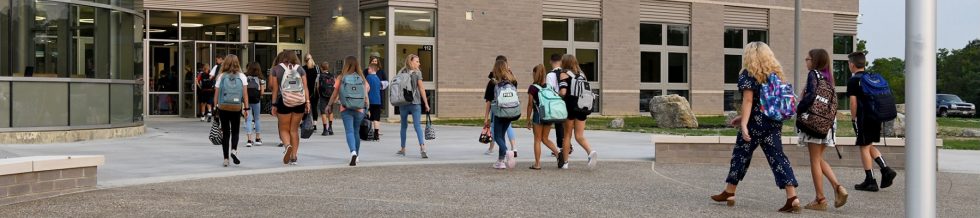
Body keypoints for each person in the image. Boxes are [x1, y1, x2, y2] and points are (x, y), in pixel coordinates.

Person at [710, 42, 800, 213]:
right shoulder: (775, 73)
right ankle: (792, 197)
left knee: (740, 155)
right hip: (774, 121)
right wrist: (741, 117)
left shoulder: (749, 73)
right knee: (778, 158)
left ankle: (729, 192)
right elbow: (764, 101)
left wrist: (744, 123)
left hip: (755, 123)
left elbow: (749, 100)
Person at [798, 49, 848, 210]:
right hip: (828, 124)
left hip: (814, 122)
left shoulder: (813, 74)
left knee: (814, 160)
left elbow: (811, 95)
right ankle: (838, 187)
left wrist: (799, 108)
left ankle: (820, 198)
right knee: (819, 158)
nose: (806, 61)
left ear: (815, 61)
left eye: (808, 58)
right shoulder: (828, 79)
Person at [847, 51, 898, 192]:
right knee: (868, 145)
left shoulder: (853, 80)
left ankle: (870, 180)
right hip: (876, 116)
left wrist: (853, 118)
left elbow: (853, 102)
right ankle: (886, 170)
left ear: (852, 64)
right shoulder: (871, 77)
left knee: (864, 146)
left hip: (864, 118)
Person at [328, 56, 371, 166]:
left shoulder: (341, 77)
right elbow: (367, 90)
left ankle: (352, 152)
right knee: (356, 131)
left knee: (349, 131)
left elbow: (334, 94)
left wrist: (329, 105)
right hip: (359, 108)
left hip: (345, 108)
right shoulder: (361, 78)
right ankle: (357, 155)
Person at [557, 54, 597, 169]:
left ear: (564, 63)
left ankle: (565, 163)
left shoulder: (564, 74)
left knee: (567, 135)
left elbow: (563, 92)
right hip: (582, 106)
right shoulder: (582, 75)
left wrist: (557, 94)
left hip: (570, 107)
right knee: (579, 135)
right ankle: (590, 152)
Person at [269, 50, 310, 165]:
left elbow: (275, 89)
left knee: (283, 129)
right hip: (299, 102)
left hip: (284, 102)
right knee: (294, 130)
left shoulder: (276, 69)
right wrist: (307, 102)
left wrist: (274, 104)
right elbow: (305, 87)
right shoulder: (300, 69)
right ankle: (294, 156)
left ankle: (287, 146)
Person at [212, 54, 249, 167]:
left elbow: (216, 95)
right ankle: (234, 150)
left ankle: (226, 159)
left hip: (223, 107)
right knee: (235, 131)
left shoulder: (221, 76)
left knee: (226, 132)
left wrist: (215, 108)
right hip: (236, 107)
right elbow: (245, 95)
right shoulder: (242, 76)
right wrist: (246, 108)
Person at [483, 59, 519, 169]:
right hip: (510, 112)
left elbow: (488, 101)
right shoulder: (512, 80)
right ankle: (500, 161)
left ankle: (507, 152)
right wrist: (511, 73)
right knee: (502, 135)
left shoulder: (493, 82)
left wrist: (486, 117)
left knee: (497, 136)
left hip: (498, 113)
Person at [394, 54, 430, 159]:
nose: (419, 63)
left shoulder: (401, 72)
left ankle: (403, 149)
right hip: (415, 103)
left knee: (403, 126)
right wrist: (426, 104)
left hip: (403, 103)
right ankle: (422, 147)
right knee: (417, 125)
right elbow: (422, 89)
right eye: (417, 61)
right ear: (411, 62)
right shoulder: (417, 73)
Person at [526, 64, 561, 170]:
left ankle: (537, 164)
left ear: (535, 74)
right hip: (549, 115)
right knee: (545, 138)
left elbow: (530, 105)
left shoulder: (533, 87)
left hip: (538, 115)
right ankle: (558, 154)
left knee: (537, 139)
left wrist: (528, 119)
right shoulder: (549, 87)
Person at [547, 53, 569, 157]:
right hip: (566, 100)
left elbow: (549, 90)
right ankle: (568, 145)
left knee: (558, 125)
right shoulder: (566, 73)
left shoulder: (550, 75)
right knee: (566, 125)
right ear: (561, 61)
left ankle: (561, 147)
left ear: (550, 61)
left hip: (556, 101)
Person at [244, 62, 266, 147]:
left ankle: (249, 140)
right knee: (257, 119)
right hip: (256, 100)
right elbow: (262, 91)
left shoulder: (245, 77)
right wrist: (260, 96)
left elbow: (243, 89)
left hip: (247, 100)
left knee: (248, 119)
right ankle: (258, 139)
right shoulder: (261, 78)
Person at [315, 61, 336, 136]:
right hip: (331, 95)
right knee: (330, 111)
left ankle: (325, 130)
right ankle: (330, 128)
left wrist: (319, 93)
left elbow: (317, 87)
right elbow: (335, 86)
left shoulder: (319, 76)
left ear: (321, 68)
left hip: (323, 96)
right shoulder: (332, 75)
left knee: (323, 112)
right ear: (328, 67)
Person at [303, 54, 321, 131]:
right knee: (314, 107)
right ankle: (315, 125)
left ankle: (304, 123)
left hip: (306, 91)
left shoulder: (303, 68)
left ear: (304, 60)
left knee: (305, 107)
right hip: (315, 91)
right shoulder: (317, 68)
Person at [366, 64, 384, 141]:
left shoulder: (368, 77)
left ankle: (369, 132)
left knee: (369, 117)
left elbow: (367, 87)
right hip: (378, 101)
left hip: (370, 100)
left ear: (373, 69)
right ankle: (376, 135)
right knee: (376, 118)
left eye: (369, 68)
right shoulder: (378, 78)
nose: (368, 70)